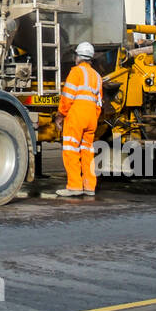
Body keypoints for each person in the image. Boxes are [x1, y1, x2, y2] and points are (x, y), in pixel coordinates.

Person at [53, 41, 103, 198]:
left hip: (76, 116)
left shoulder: (76, 72)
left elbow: (67, 97)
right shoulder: (97, 76)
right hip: (91, 117)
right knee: (87, 152)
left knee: (71, 150)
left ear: (78, 57)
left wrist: (60, 115)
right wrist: (93, 117)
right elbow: (99, 103)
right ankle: (89, 187)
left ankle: (74, 186)